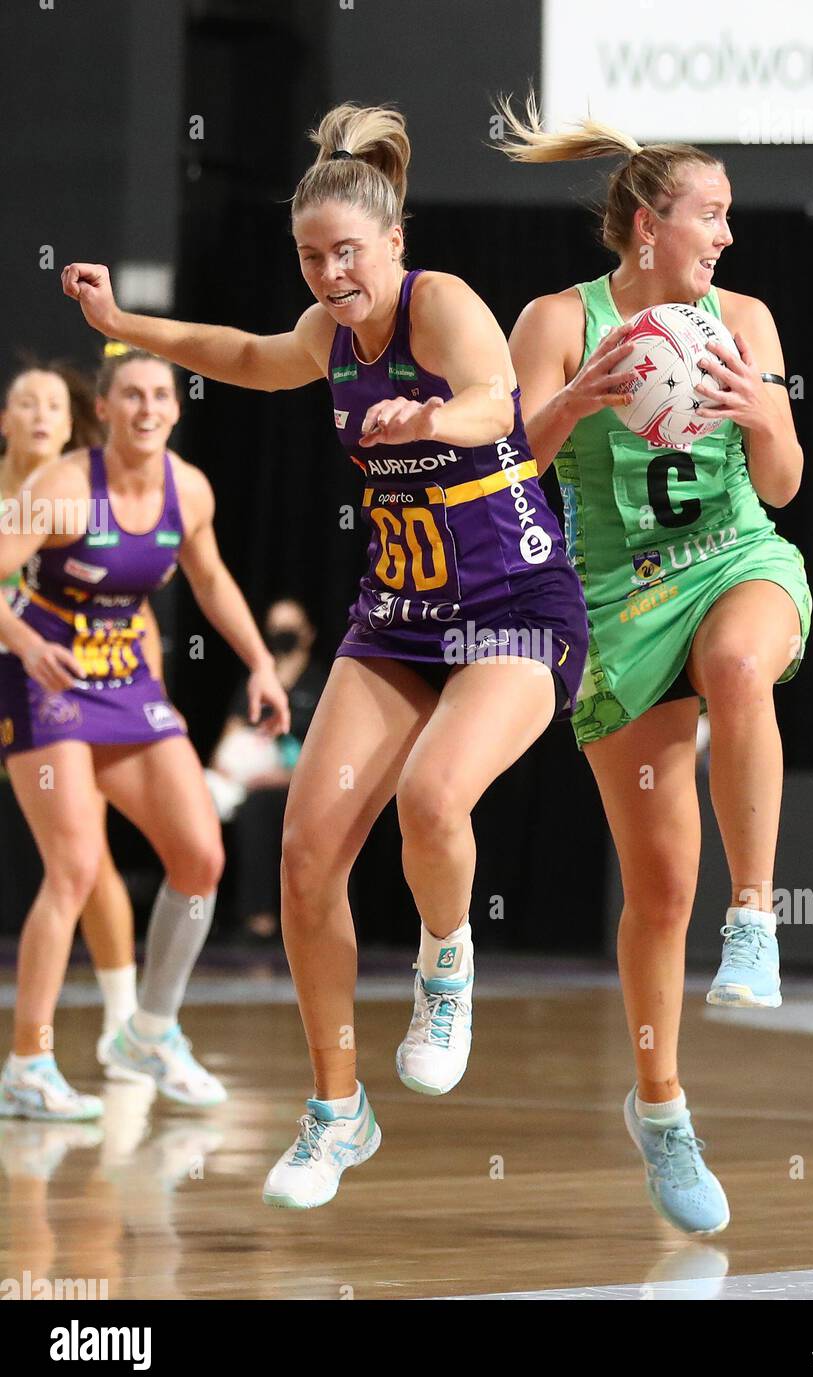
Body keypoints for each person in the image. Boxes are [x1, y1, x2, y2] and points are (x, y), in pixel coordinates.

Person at [62, 100, 589, 1208]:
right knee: (305, 856)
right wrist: (128, 323)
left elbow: (494, 394)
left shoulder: (438, 304)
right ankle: (336, 1111)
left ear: (394, 243)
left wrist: (434, 423)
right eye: (310, 256)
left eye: (346, 251)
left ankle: (446, 966)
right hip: (397, 616)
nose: (329, 272)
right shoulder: (324, 335)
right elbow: (246, 356)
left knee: (435, 799)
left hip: (512, 604)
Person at [500, 97, 813, 1234]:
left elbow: (780, 486)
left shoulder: (745, 318)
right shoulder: (556, 320)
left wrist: (758, 416)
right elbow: (503, 470)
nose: (726, 232)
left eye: (727, 213)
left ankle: (757, 916)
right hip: (617, 600)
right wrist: (576, 398)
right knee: (655, 891)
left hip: (736, 555)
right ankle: (662, 1107)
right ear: (646, 222)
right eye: (709, 213)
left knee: (740, 668)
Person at [0, 349, 289, 1120]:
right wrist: (26, 646)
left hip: (128, 682)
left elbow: (211, 578)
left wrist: (261, 663)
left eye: (161, 394)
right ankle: (27, 1062)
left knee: (200, 855)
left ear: (176, 406)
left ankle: (149, 1031)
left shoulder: (186, 489)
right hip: (46, 680)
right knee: (73, 867)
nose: (147, 407)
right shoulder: (61, 488)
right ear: (103, 409)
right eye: (131, 395)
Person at [0, 360, 166, 1075]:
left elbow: (134, 614)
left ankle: (123, 1028)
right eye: (25, 403)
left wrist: (150, 696)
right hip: (21, 676)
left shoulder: (87, 500)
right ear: (5, 419)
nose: (41, 415)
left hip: (67, 692)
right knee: (73, 862)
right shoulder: (25, 506)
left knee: (83, 856)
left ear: (74, 427)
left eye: (54, 408)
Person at [208, 597, 325, 941]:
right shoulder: (257, 682)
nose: (282, 635)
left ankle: (278, 920)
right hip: (250, 780)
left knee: (262, 808)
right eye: (275, 628)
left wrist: (287, 776)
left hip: (304, 782)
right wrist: (230, 769)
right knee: (210, 803)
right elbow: (227, 743)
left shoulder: (323, 683)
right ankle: (216, 913)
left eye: (289, 628)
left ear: (308, 633)